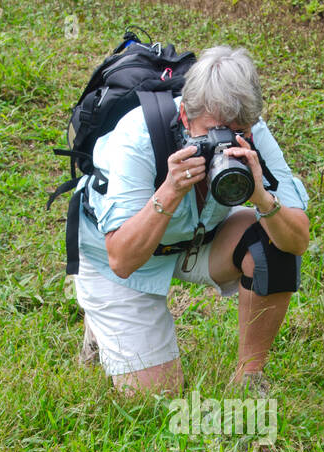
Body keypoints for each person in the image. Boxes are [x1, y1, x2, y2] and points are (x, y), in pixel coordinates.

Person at [74, 45, 310, 396]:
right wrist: (169, 192)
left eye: (239, 130)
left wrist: (262, 198)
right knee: (156, 397)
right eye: (216, 131)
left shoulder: (252, 133)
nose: (228, 143)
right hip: (121, 260)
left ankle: (249, 377)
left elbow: (297, 240)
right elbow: (121, 260)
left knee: (271, 242)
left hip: (194, 240)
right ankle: (100, 323)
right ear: (185, 116)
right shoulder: (136, 137)